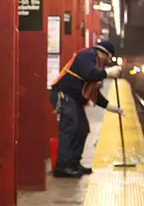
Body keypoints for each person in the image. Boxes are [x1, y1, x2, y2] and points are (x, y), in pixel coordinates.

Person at [49, 38, 125, 177]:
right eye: (108, 59)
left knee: (82, 129)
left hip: (74, 99)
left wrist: (111, 107)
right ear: (104, 54)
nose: (107, 63)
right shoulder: (87, 55)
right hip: (63, 94)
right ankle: (62, 166)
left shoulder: (95, 64)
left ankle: (73, 162)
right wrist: (107, 73)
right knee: (70, 127)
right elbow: (89, 74)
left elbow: (94, 92)